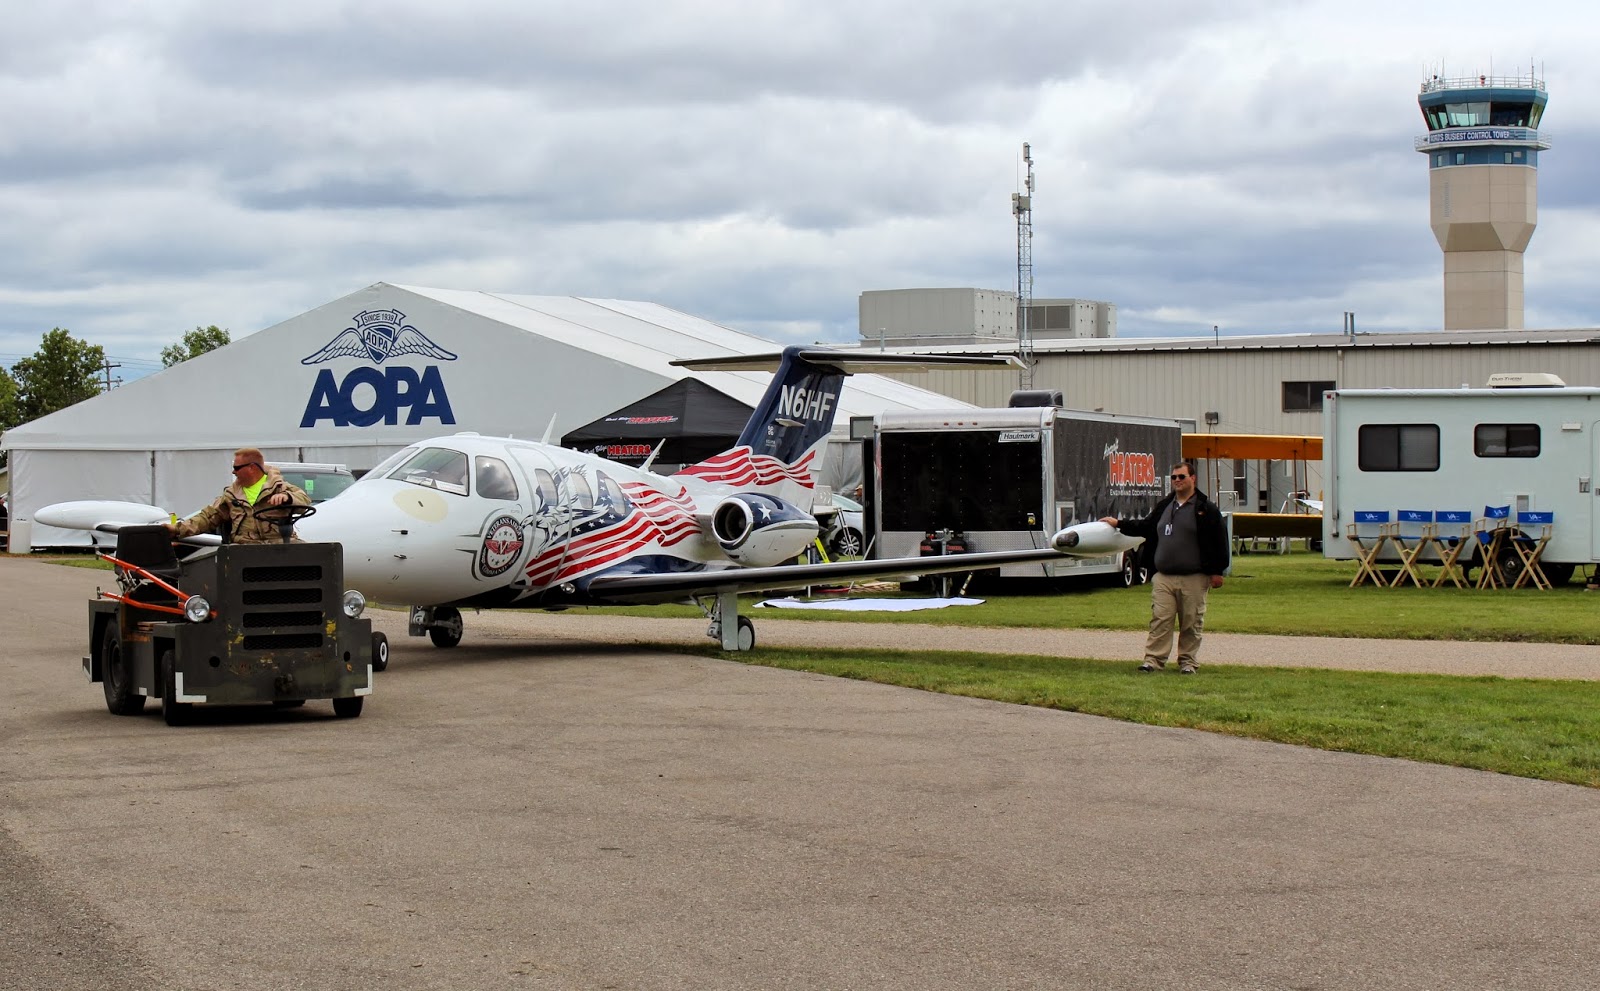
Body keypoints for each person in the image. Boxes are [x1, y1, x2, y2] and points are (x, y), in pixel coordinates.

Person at [1099, 460, 1229, 674]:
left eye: (1182, 477)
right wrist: (1119, 524)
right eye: (1174, 477)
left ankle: (1188, 662)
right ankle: (1153, 661)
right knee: (1160, 619)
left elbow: (1219, 541)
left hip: (1194, 576)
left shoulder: (1206, 509)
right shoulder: (1165, 506)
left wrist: (1217, 572)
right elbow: (1146, 526)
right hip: (1164, 576)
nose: (1177, 480)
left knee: (1191, 622)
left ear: (1193, 479)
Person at [167, 448, 312, 544]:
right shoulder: (231, 495)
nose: (233, 472)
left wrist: (287, 498)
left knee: (311, 553)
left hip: (280, 547)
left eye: (236, 468)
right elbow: (207, 517)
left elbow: (304, 501)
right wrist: (176, 529)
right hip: (244, 551)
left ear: (252, 468)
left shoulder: (279, 487)